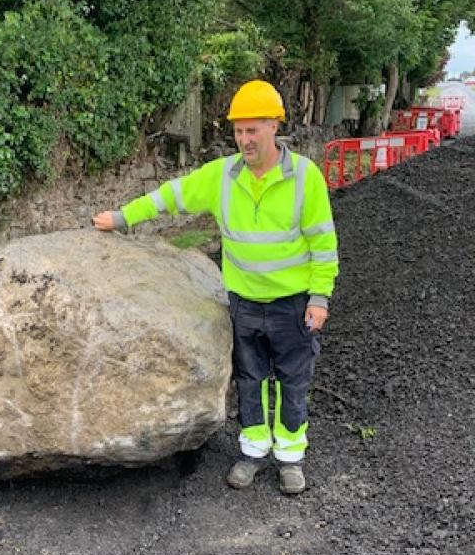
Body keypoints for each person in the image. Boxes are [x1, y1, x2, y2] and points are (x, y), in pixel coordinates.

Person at [92, 79, 338, 495]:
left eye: (252, 130)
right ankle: (254, 451)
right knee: (251, 378)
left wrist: (319, 297)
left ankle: (290, 458)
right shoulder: (222, 177)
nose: (244, 139)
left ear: (274, 126)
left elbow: (323, 241)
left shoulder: (304, 178)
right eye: (239, 131)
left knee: (293, 381)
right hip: (243, 303)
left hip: (292, 305)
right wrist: (122, 217)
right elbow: (171, 195)